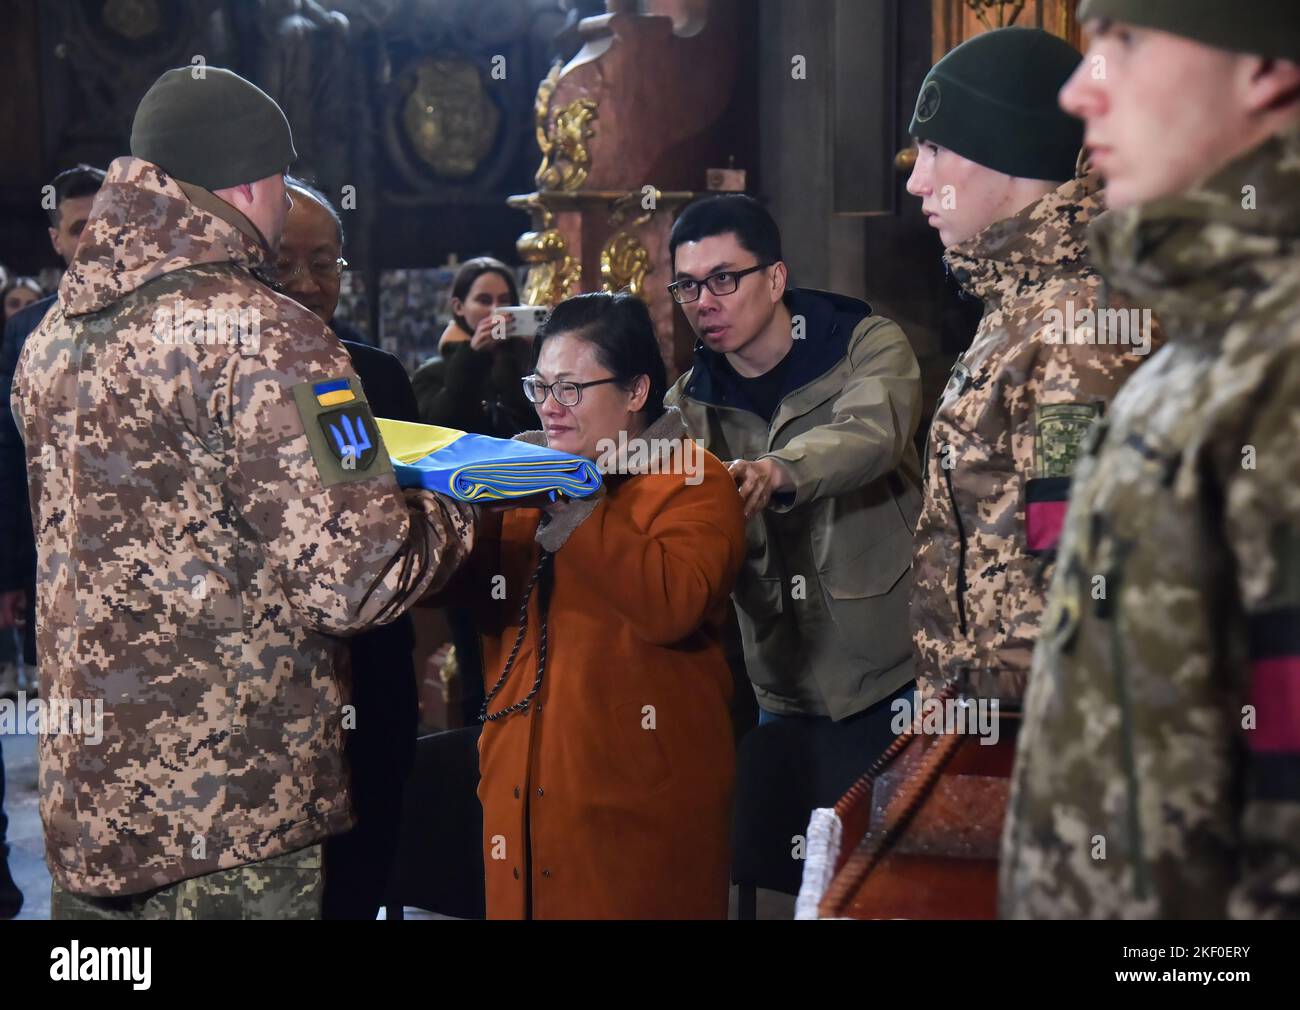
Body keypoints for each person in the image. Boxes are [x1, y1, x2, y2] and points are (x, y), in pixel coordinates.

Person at [11, 66, 475, 920]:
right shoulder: (276, 338)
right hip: (234, 813)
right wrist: (462, 510)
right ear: (257, 182)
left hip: (93, 806)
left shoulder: (53, 336)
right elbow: (360, 574)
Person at [1001, 1, 1300, 918]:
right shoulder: (1212, 344)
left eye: (1124, 40)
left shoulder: (1278, 365)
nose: (1079, 88)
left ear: (1262, 64)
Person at [445, 291, 745, 918]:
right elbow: (466, 599)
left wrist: (570, 497)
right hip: (520, 804)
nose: (550, 409)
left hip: (633, 814)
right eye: (541, 387)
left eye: (572, 389)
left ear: (637, 392)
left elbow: (670, 606)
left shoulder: (694, 480)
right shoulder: (527, 480)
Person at [905, 27, 1154, 705]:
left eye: (934, 150)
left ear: (1009, 156)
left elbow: (1080, 585)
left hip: (1029, 742)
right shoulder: (1020, 305)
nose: (916, 180)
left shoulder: (1078, 330)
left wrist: (979, 721)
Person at [665, 194, 923, 735]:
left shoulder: (864, 346)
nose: (703, 302)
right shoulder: (686, 406)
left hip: (897, 671)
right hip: (781, 688)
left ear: (776, 278)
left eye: (723, 279)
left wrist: (776, 471)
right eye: (687, 285)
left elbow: (873, 434)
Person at [272, 176, 422, 919]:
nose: (306, 284)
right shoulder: (232, 378)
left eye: (324, 263)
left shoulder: (374, 378)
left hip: (372, 676)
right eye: (284, 264)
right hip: (276, 701)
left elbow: (377, 528)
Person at [0, 164, 106, 921]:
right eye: (78, 228)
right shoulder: (23, 332)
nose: (93, 240)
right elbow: (7, 459)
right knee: (68, 740)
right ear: (56, 240)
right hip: (52, 570)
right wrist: (11, 572)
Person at [411, 257, 535, 438]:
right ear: (459, 307)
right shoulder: (432, 373)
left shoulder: (525, 361)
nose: (495, 310)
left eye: (504, 300)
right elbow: (438, 426)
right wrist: (472, 357)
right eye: (484, 300)